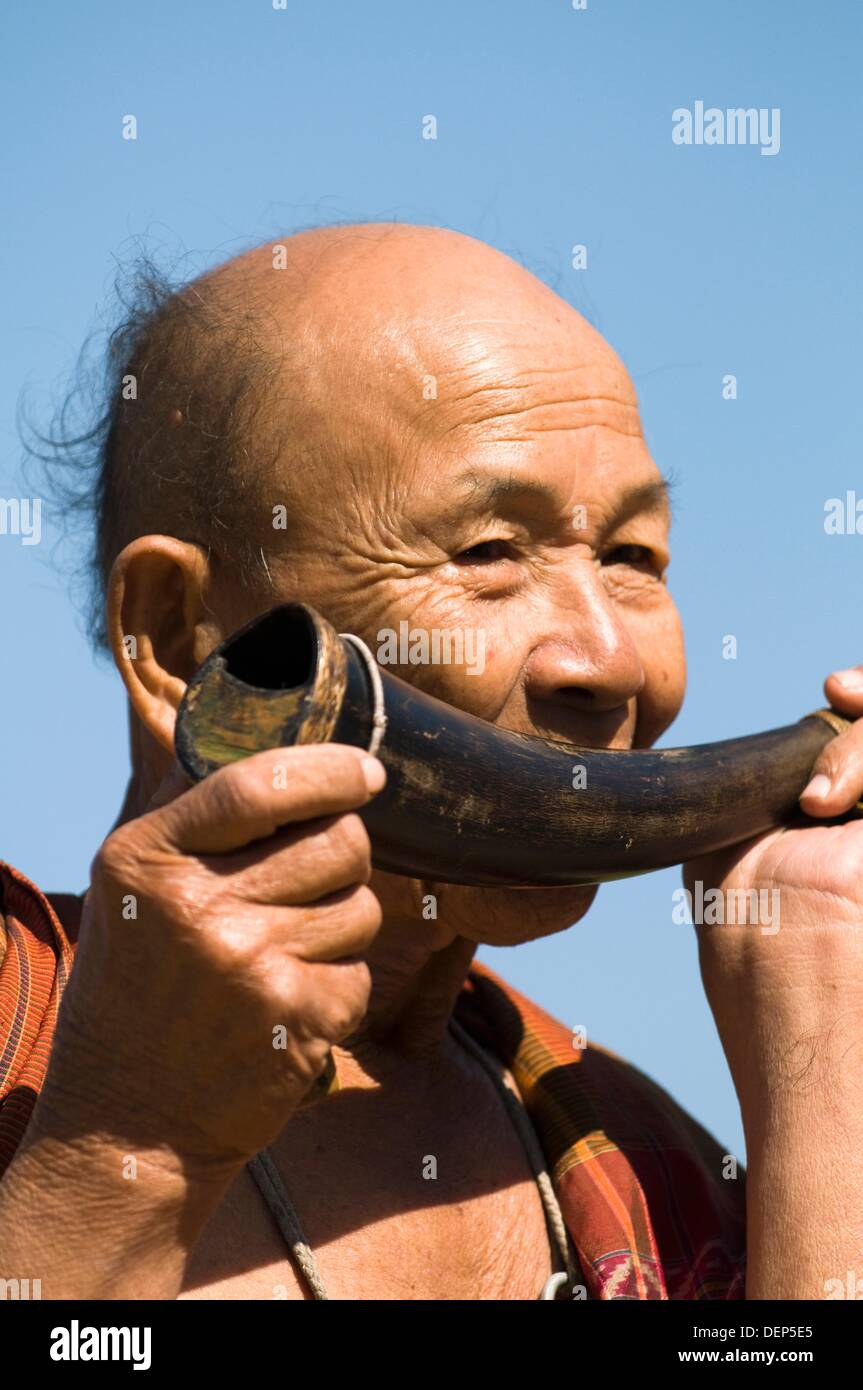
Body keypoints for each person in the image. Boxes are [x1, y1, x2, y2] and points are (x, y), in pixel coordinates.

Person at [2, 223, 861, 1300]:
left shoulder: (652, 1167)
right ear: (181, 639)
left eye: (632, 557)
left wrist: (825, 1074)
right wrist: (120, 1144)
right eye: (488, 553)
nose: (606, 660)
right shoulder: (15, 1035)